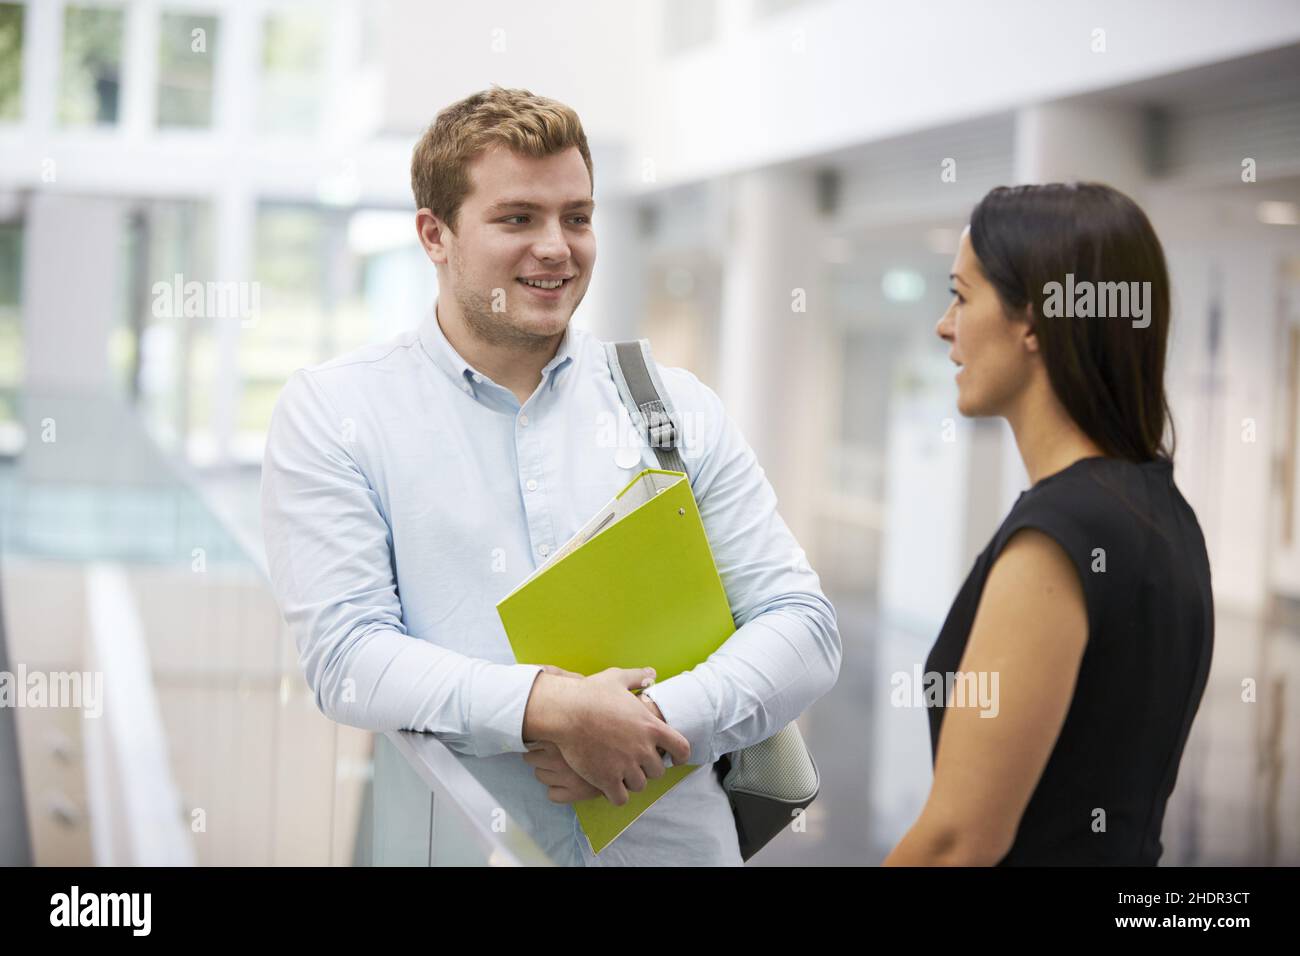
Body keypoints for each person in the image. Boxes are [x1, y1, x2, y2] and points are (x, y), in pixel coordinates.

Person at [259, 87, 840, 866]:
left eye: (577, 216)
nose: (557, 247)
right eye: (517, 218)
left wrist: (657, 721)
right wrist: (548, 706)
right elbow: (347, 655)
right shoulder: (337, 411)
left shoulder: (668, 406)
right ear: (435, 234)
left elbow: (803, 627)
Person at [884, 183, 1213, 865]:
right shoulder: (1160, 509)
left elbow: (956, 842)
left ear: (1033, 321)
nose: (946, 325)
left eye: (962, 295)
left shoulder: (1061, 537)